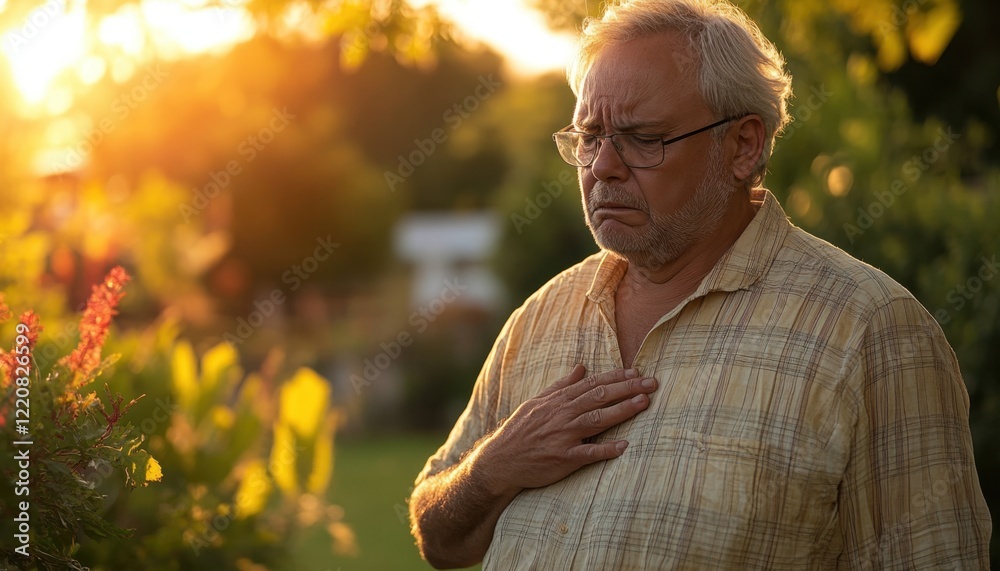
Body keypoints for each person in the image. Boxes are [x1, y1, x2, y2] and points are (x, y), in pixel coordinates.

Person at [408, 0, 993, 568]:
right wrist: (491, 469)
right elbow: (440, 540)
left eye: (643, 138)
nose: (602, 166)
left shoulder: (871, 331)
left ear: (743, 146)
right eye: (589, 136)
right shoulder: (539, 319)